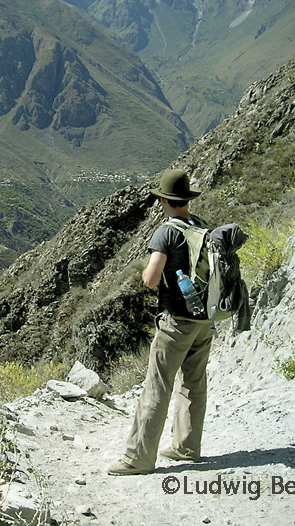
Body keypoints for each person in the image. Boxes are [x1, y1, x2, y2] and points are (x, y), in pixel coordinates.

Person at [107, 168, 214, 476]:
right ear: (186, 199)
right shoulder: (202, 226)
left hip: (176, 322)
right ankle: (186, 447)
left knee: (157, 387)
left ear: (164, 200)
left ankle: (138, 458)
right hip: (204, 320)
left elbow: (151, 279)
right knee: (194, 383)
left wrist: (146, 270)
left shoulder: (166, 232)